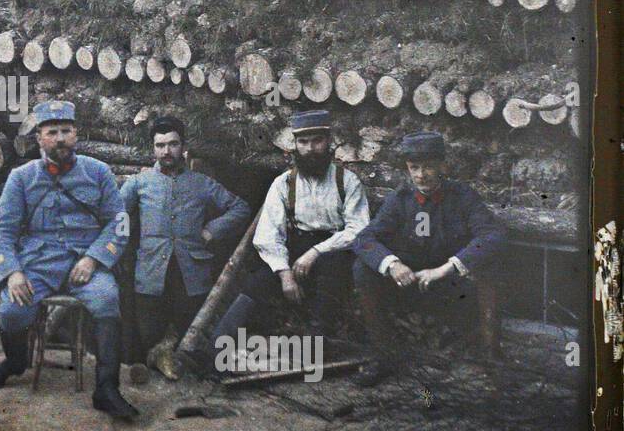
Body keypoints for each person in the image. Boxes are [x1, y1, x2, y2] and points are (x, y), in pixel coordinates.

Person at [0, 100, 137, 420]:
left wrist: (93, 259)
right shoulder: (22, 178)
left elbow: (119, 223)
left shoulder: (98, 172)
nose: (60, 138)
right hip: (39, 261)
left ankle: (106, 388)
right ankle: (15, 362)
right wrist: (11, 273)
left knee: (107, 298)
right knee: (10, 311)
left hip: (84, 261)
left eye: (66, 130)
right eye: (52, 132)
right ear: (39, 137)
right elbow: (2, 229)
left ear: (76, 134)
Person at [192, 109, 369, 376]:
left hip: (334, 249)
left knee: (332, 279)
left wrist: (316, 252)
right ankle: (217, 348)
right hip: (295, 246)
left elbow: (359, 229)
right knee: (258, 282)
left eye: (317, 141)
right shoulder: (283, 184)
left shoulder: (347, 182)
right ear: (295, 146)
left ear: (328, 142)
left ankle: (313, 349)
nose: (310, 150)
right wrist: (284, 273)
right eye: (303, 142)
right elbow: (267, 235)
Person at [351, 130, 507, 386]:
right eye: (415, 168)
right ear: (407, 169)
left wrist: (449, 267)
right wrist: (392, 265)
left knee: (490, 264)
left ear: (442, 166)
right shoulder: (399, 199)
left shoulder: (462, 196)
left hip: (450, 284)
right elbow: (364, 239)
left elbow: (493, 234)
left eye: (429, 167)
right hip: (410, 282)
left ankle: (490, 356)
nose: (421, 175)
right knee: (363, 268)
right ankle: (384, 354)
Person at [120, 115, 250, 376]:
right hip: (151, 269)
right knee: (147, 331)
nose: (166, 151)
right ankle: (155, 355)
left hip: (191, 271)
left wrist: (211, 231)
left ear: (183, 146)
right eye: (160, 145)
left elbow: (241, 208)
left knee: (189, 331)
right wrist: (123, 240)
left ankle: (172, 358)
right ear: (153, 149)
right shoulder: (139, 183)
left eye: (173, 144)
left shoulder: (201, 183)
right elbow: (116, 214)